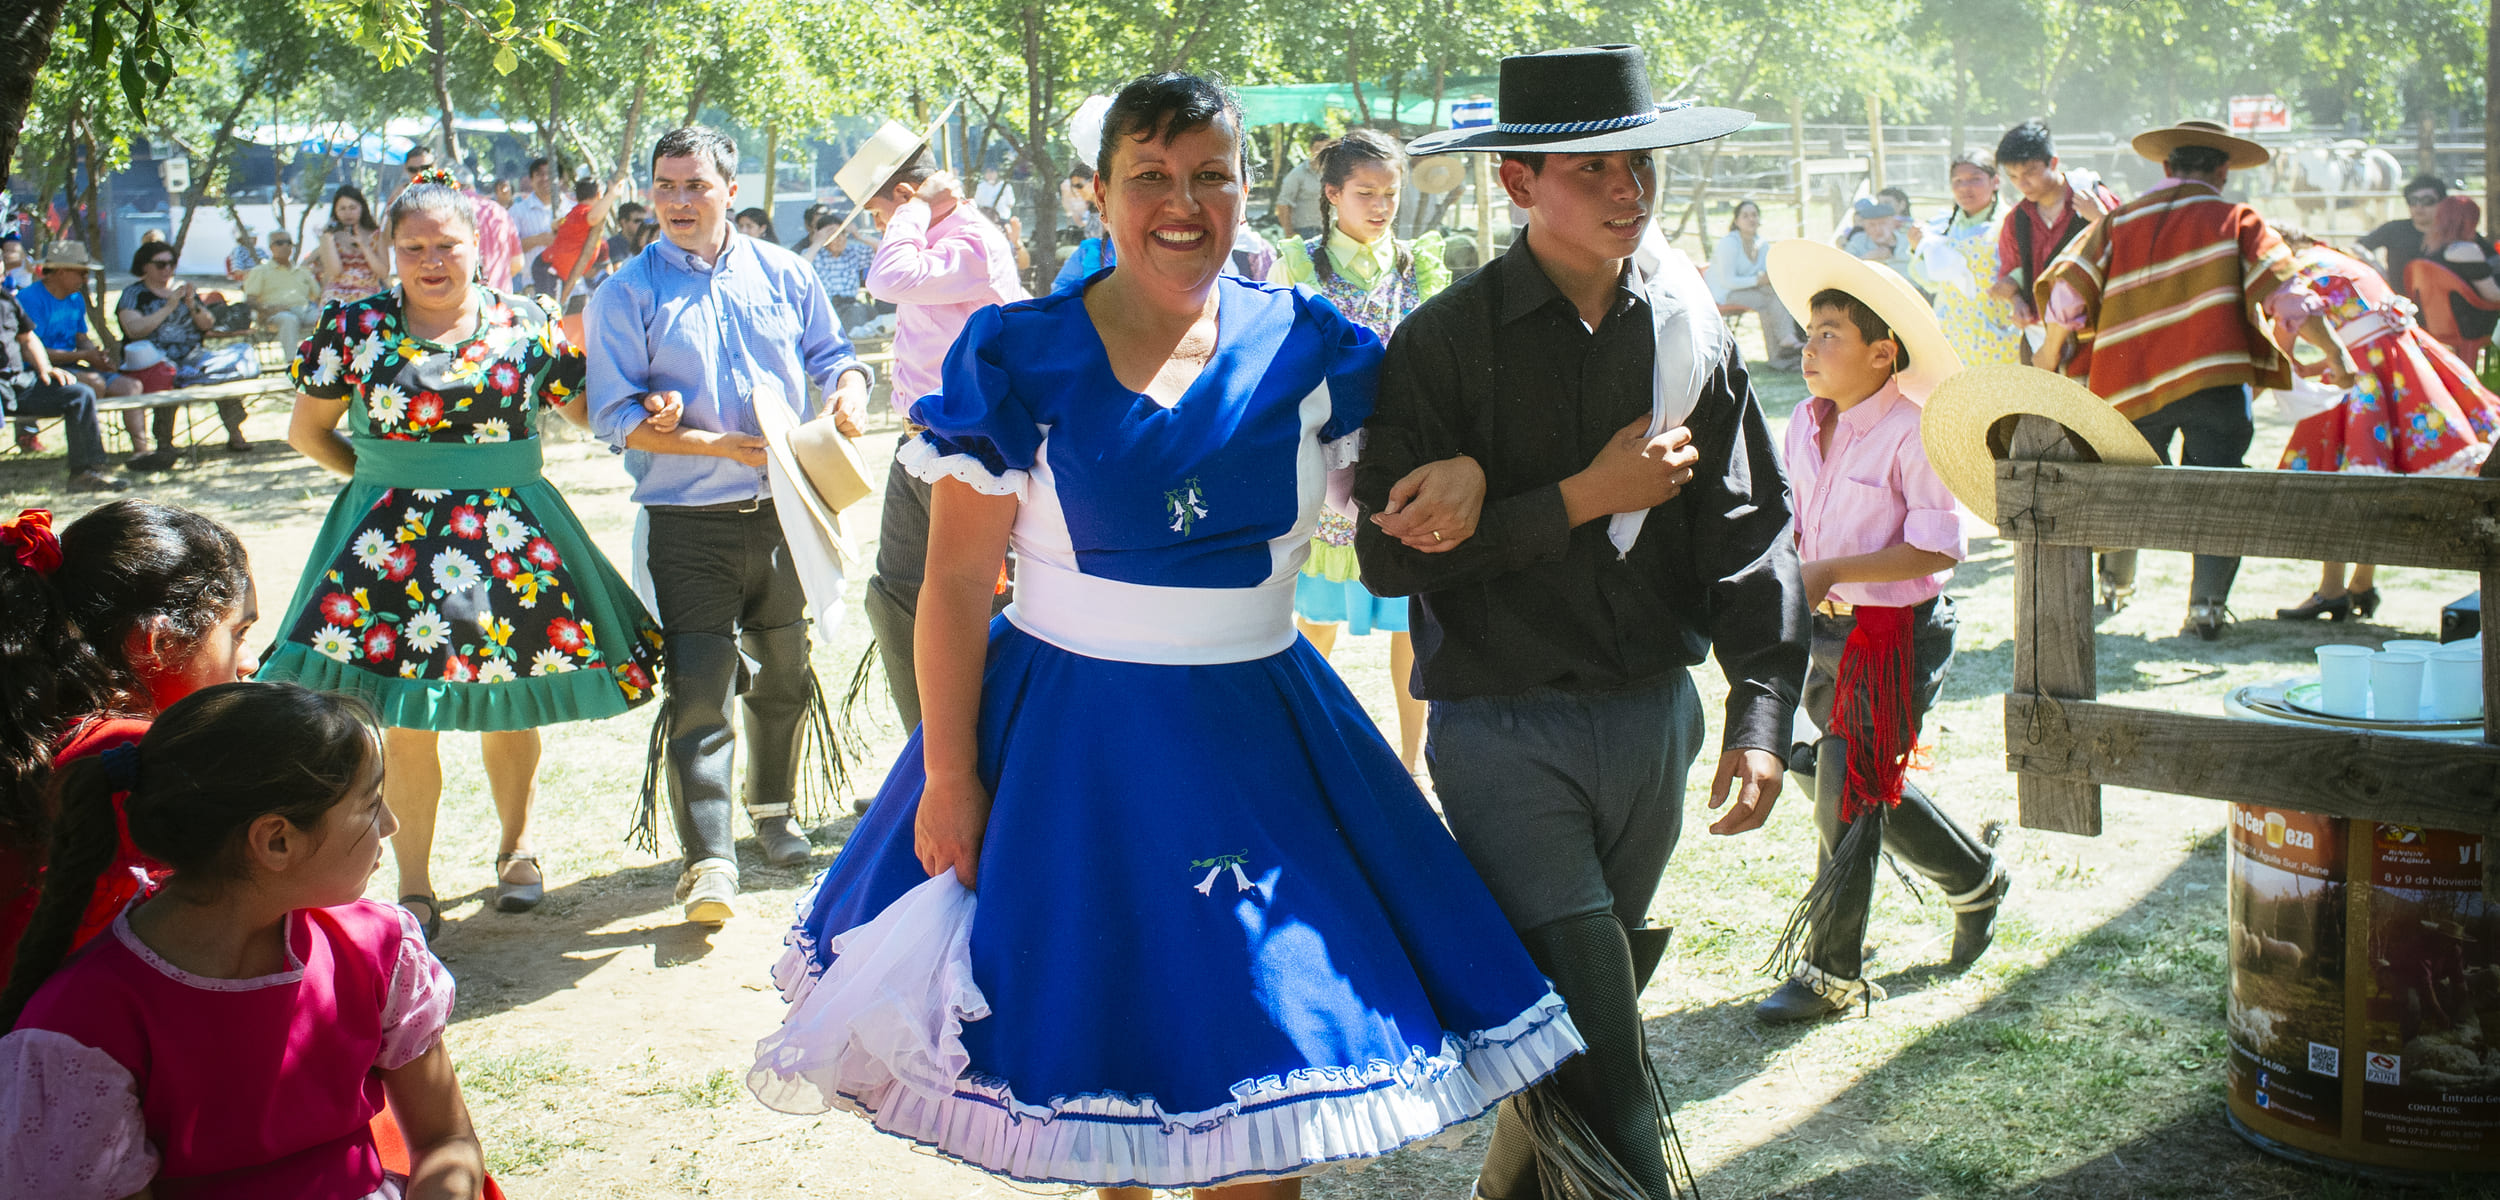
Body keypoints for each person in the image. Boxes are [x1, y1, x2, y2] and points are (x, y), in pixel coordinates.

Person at [746, 71, 1581, 1197]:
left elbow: (1400, 488)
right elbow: (953, 583)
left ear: (1245, 191)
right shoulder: (1016, 354)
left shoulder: (1314, 346)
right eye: (1149, 177)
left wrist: (1466, 471)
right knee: (1110, 1064)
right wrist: (949, 775)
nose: (1182, 203)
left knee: (1270, 1062)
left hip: (1264, 740)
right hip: (1072, 755)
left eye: (1209, 177)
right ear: (1097, 193)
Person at [1375, 45, 1804, 1200]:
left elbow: (1749, 529)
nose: (1629, 189)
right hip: (1502, 732)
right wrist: (1575, 499)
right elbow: (1383, 555)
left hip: (1654, 723)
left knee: (1571, 1011)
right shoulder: (1443, 341)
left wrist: (1761, 712)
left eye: (1641, 164)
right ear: (1517, 182)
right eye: (1593, 169)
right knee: (1611, 1063)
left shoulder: (1689, 330)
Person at [260, 168, 664, 941]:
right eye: (413, 248)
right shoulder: (352, 328)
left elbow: (588, 413)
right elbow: (307, 433)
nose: (431, 261)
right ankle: (414, 883)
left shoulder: (527, 322)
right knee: (407, 717)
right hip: (390, 551)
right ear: (389, 251)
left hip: (509, 544)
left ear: (476, 246)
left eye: (446, 245)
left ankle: (518, 849)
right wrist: (384, 483)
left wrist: (653, 403)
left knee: (510, 700)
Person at [0, 681, 487, 1200]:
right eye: (370, 805)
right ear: (276, 840)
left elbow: (447, 1141)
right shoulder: (86, 1026)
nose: (390, 824)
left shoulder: (378, 948)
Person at [585, 126, 874, 920]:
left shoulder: (786, 272)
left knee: (784, 669)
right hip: (687, 523)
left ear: (731, 190)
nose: (678, 202)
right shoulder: (624, 293)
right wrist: (694, 437)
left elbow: (835, 356)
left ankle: (774, 813)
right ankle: (709, 861)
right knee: (700, 686)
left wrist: (848, 393)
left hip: (787, 511)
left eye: (695, 186)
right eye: (665, 186)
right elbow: (612, 416)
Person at [1752, 239, 2006, 1022]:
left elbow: (1938, 547)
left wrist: (1831, 569)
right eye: (1809, 331)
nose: (1809, 347)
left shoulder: (1915, 430)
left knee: (1849, 788)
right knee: (1818, 770)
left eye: (1829, 334)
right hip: (1823, 630)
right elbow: (1796, 521)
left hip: (1895, 635)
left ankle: (1830, 971)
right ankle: (1975, 877)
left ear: (1882, 352)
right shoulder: (1804, 423)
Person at [2037, 120, 2360, 640]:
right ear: (2223, 171)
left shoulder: (2119, 220)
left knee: (2124, 485)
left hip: (2128, 384)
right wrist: (2336, 355)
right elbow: (2288, 295)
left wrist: (2048, 358)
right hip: (2216, 379)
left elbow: (2067, 295)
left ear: (2167, 166)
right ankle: (2207, 607)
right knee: (2220, 489)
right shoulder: (2238, 219)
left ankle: (2116, 582)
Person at [0, 501, 253, 980]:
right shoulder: (132, 757)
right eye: (238, 633)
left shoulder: (38, 724)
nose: (249, 661)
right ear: (155, 644)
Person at [1263, 127, 1446, 772]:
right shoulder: (1295, 266)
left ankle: (1413, 763)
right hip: (1324, 462)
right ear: (1332, 193)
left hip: (1404, 459)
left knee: (1411, 622)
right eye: (1365, 192)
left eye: (1390, 193)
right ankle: (1306, 757)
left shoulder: (1422, 264)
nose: (1380, 206)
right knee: (1315, 621)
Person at [857, 153, 1028, 731]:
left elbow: (886, 278)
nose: (881, 224)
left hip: (971, 448)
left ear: (906, 195)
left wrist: (915, 209)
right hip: (921, 441)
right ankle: (925, 756)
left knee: (984, 602)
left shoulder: (971, 240)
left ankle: (993, 753)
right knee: (895, 597)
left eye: (879, 210)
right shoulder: (935, 241)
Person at [2270, 227, 2500, 621]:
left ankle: (2332, 589)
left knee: (2337, 475)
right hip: (2401, 363)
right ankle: (2361, 583)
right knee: (2376, 471)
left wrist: (2277, 368)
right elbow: (2364, 324)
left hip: (2365, 374)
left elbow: (2287, 330)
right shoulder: (2340, 259)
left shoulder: (2298, 267)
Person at [13, 241, 152, 460]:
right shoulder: (29, 299)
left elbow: (81, 338)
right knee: (93, 384)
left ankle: (142, 452)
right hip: (37, 372)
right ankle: (90, 454)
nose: (86, 279)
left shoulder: (75, 299)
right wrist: (84, 356)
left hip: (72, 365)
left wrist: (96, 356)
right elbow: (30, 349)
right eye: (82, 273)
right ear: (61, 271)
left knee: (131, 386)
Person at [117, 240, 253, 460]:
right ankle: (164, 443)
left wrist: (191, 304)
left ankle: (235, 432)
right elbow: (134, 330)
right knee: (167, 376)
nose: (167, 269)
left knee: (224, 373)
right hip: (153, 360)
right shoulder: (134, 294)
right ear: (144, 266)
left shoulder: (182, 291)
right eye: (160, 264)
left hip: (192, 356)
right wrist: (169, 306)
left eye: (171, 263)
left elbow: (207, 324)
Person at [1989, 119, 2120, 336]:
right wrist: (2017, 301)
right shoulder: (2017, 219)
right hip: (2038, 334)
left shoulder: (2094, 199)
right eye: (2013, 176)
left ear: (2053, 162)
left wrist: (2100, 219)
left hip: (2094, 331)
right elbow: (2011, 272)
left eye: (2029, 172)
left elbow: (2129, 252)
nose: (2022, 183)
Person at [0, 288, 127, 492]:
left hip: (17, 382)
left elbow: (28, 338)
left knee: (80, 394)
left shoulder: (6, 299)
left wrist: (45, 368)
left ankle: (86, 473)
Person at [1907, 149, 2023, 365]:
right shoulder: (1943, 226)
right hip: (1954, 335)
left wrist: (2014, 282)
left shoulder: (2013, 223)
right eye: (1957, 181)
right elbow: (1932, 283)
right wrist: (1918, 249)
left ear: (1995, 181)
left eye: (1975, 179)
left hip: (1999, 335)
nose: (1964, 188)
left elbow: (2032, 269)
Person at [403, 144, 523, 299]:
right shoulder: (498, 211)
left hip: (461, 302)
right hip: (500, 302)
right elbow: (517, 263)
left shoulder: (445, 212)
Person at [1707, 198, 1802, 369]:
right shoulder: (1729, 243)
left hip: (1750, 291)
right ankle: (1787, 339)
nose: (1751, 219)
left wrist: (1767, 280)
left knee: (1770, 301)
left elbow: (1766, 274)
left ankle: (1778, 359)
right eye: (1745, 216)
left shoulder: (1762, 244)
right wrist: (1758, 280)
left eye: (1754, 215)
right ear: (1736, 221)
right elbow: (1727, 281)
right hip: (1723, 293)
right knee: (1769, 300)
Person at [2423, 195, 2500, 342]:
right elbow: (2493, 294)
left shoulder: (2430, 248)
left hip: (2436, 321)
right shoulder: (2465, 250)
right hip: (2470, 324)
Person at [2359, 174, 2446, 296]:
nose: (2419, 206)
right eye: (2413, 201)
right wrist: (2377, 268)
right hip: (2399, 301)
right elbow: (2357, 247)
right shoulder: (2394, 229)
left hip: (2440, 302)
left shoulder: (2452, 233)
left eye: (2427, 201)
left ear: (2442, 203)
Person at [798, 205, 877, 329]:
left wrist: (858, 235)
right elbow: (799, 268)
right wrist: (818, 241)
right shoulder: (815, 255)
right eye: (834, 236)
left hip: (851, 307)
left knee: (864, 312)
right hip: (826, 309)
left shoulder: (853, 253)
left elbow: (884, 250)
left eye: (842, 234)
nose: (840, 239)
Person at [244, 229, 323, 350]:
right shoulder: (260, 271)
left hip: (303, 310)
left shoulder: (302, 271)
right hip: (275, 314)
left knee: (326, 318)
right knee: (289, 320)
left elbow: (318, 297)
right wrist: (267, 309)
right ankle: (292, 360)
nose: (285, 246)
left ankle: (324, 357)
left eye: (288, 243)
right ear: (271, 247)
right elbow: (250, 299)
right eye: (280, 243)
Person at [314, 183, 389, 306]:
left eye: (352, 208)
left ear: (362, 208)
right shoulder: (329, 237)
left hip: (367, 295)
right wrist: (328, 240)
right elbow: (334, 271)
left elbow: (383, 273)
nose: (348, 213)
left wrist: (364, 247)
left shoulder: (376, 235)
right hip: (336, 295)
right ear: (335, 211)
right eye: (342, 209)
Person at [510, 157, 560, 291]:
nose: (545, 178)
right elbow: (509, 249)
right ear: (531, 180)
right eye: (539, 174)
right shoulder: (517, 211)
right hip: (533, 285)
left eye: (549, 174)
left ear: (559, 179)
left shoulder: (571, 208)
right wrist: (538, 240)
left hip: (573, 287)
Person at [1273, 133, 1329, 237]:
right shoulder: (1298, 173)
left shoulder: (1335, 174)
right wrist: (1289, 234)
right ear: (1310, 149)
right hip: (1305, 231)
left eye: (1325, 149)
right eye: (1317, 148)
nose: (1321, 152)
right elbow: (1283, 203)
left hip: (1330, 230)